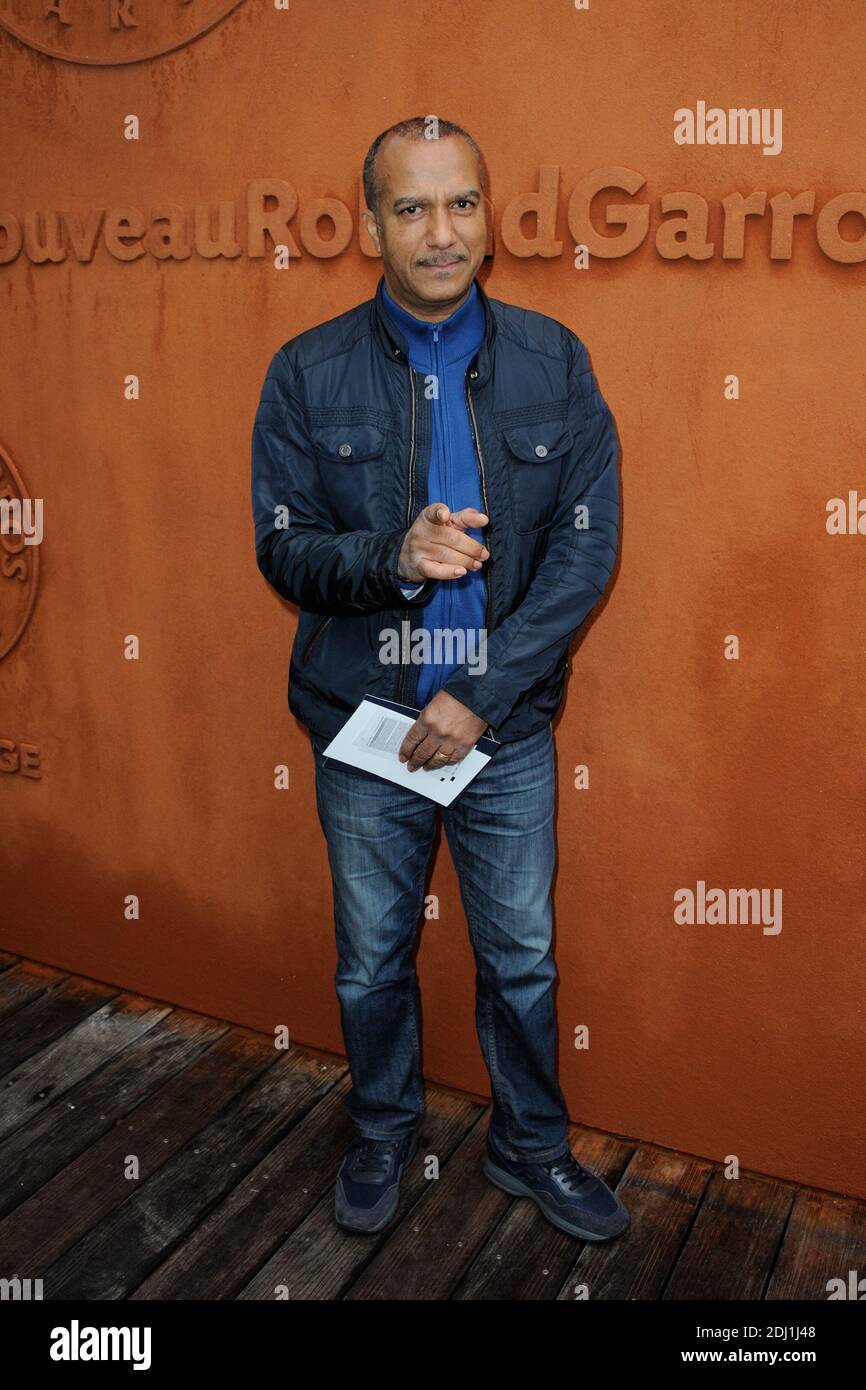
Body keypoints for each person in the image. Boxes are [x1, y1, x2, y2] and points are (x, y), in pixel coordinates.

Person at [251, 115, 628, 1243]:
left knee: (521, 957)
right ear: (368, 222)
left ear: (487, 213)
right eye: (409, 207)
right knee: (370, 959)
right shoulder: (304, 371)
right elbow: (282, 545)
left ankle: (529, 1149)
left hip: (499, 730)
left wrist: (482, 691)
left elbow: (585, 548)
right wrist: (389, 556)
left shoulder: (554, 359)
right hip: (366, 729)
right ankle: (379, 1128)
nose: (438, 230)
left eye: (459, 202)